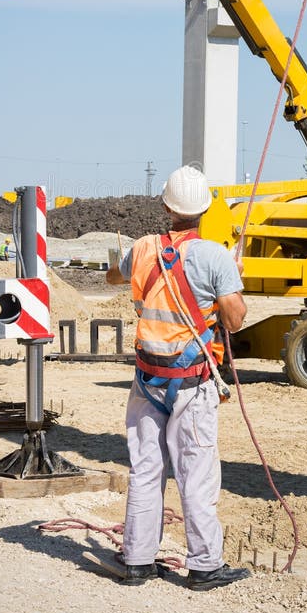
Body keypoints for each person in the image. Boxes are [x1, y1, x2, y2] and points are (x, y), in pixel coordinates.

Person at [106, 165, 249, 591]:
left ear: (167, 206)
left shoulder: (143, 247)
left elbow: (116, 275)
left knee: (146, 470)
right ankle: (205, 566)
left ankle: (137, 561)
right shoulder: (214, 255)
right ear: (205, 209)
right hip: (191, 382)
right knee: (196, 474)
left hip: (147, 381)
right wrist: (229, 279)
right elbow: (236, 320)